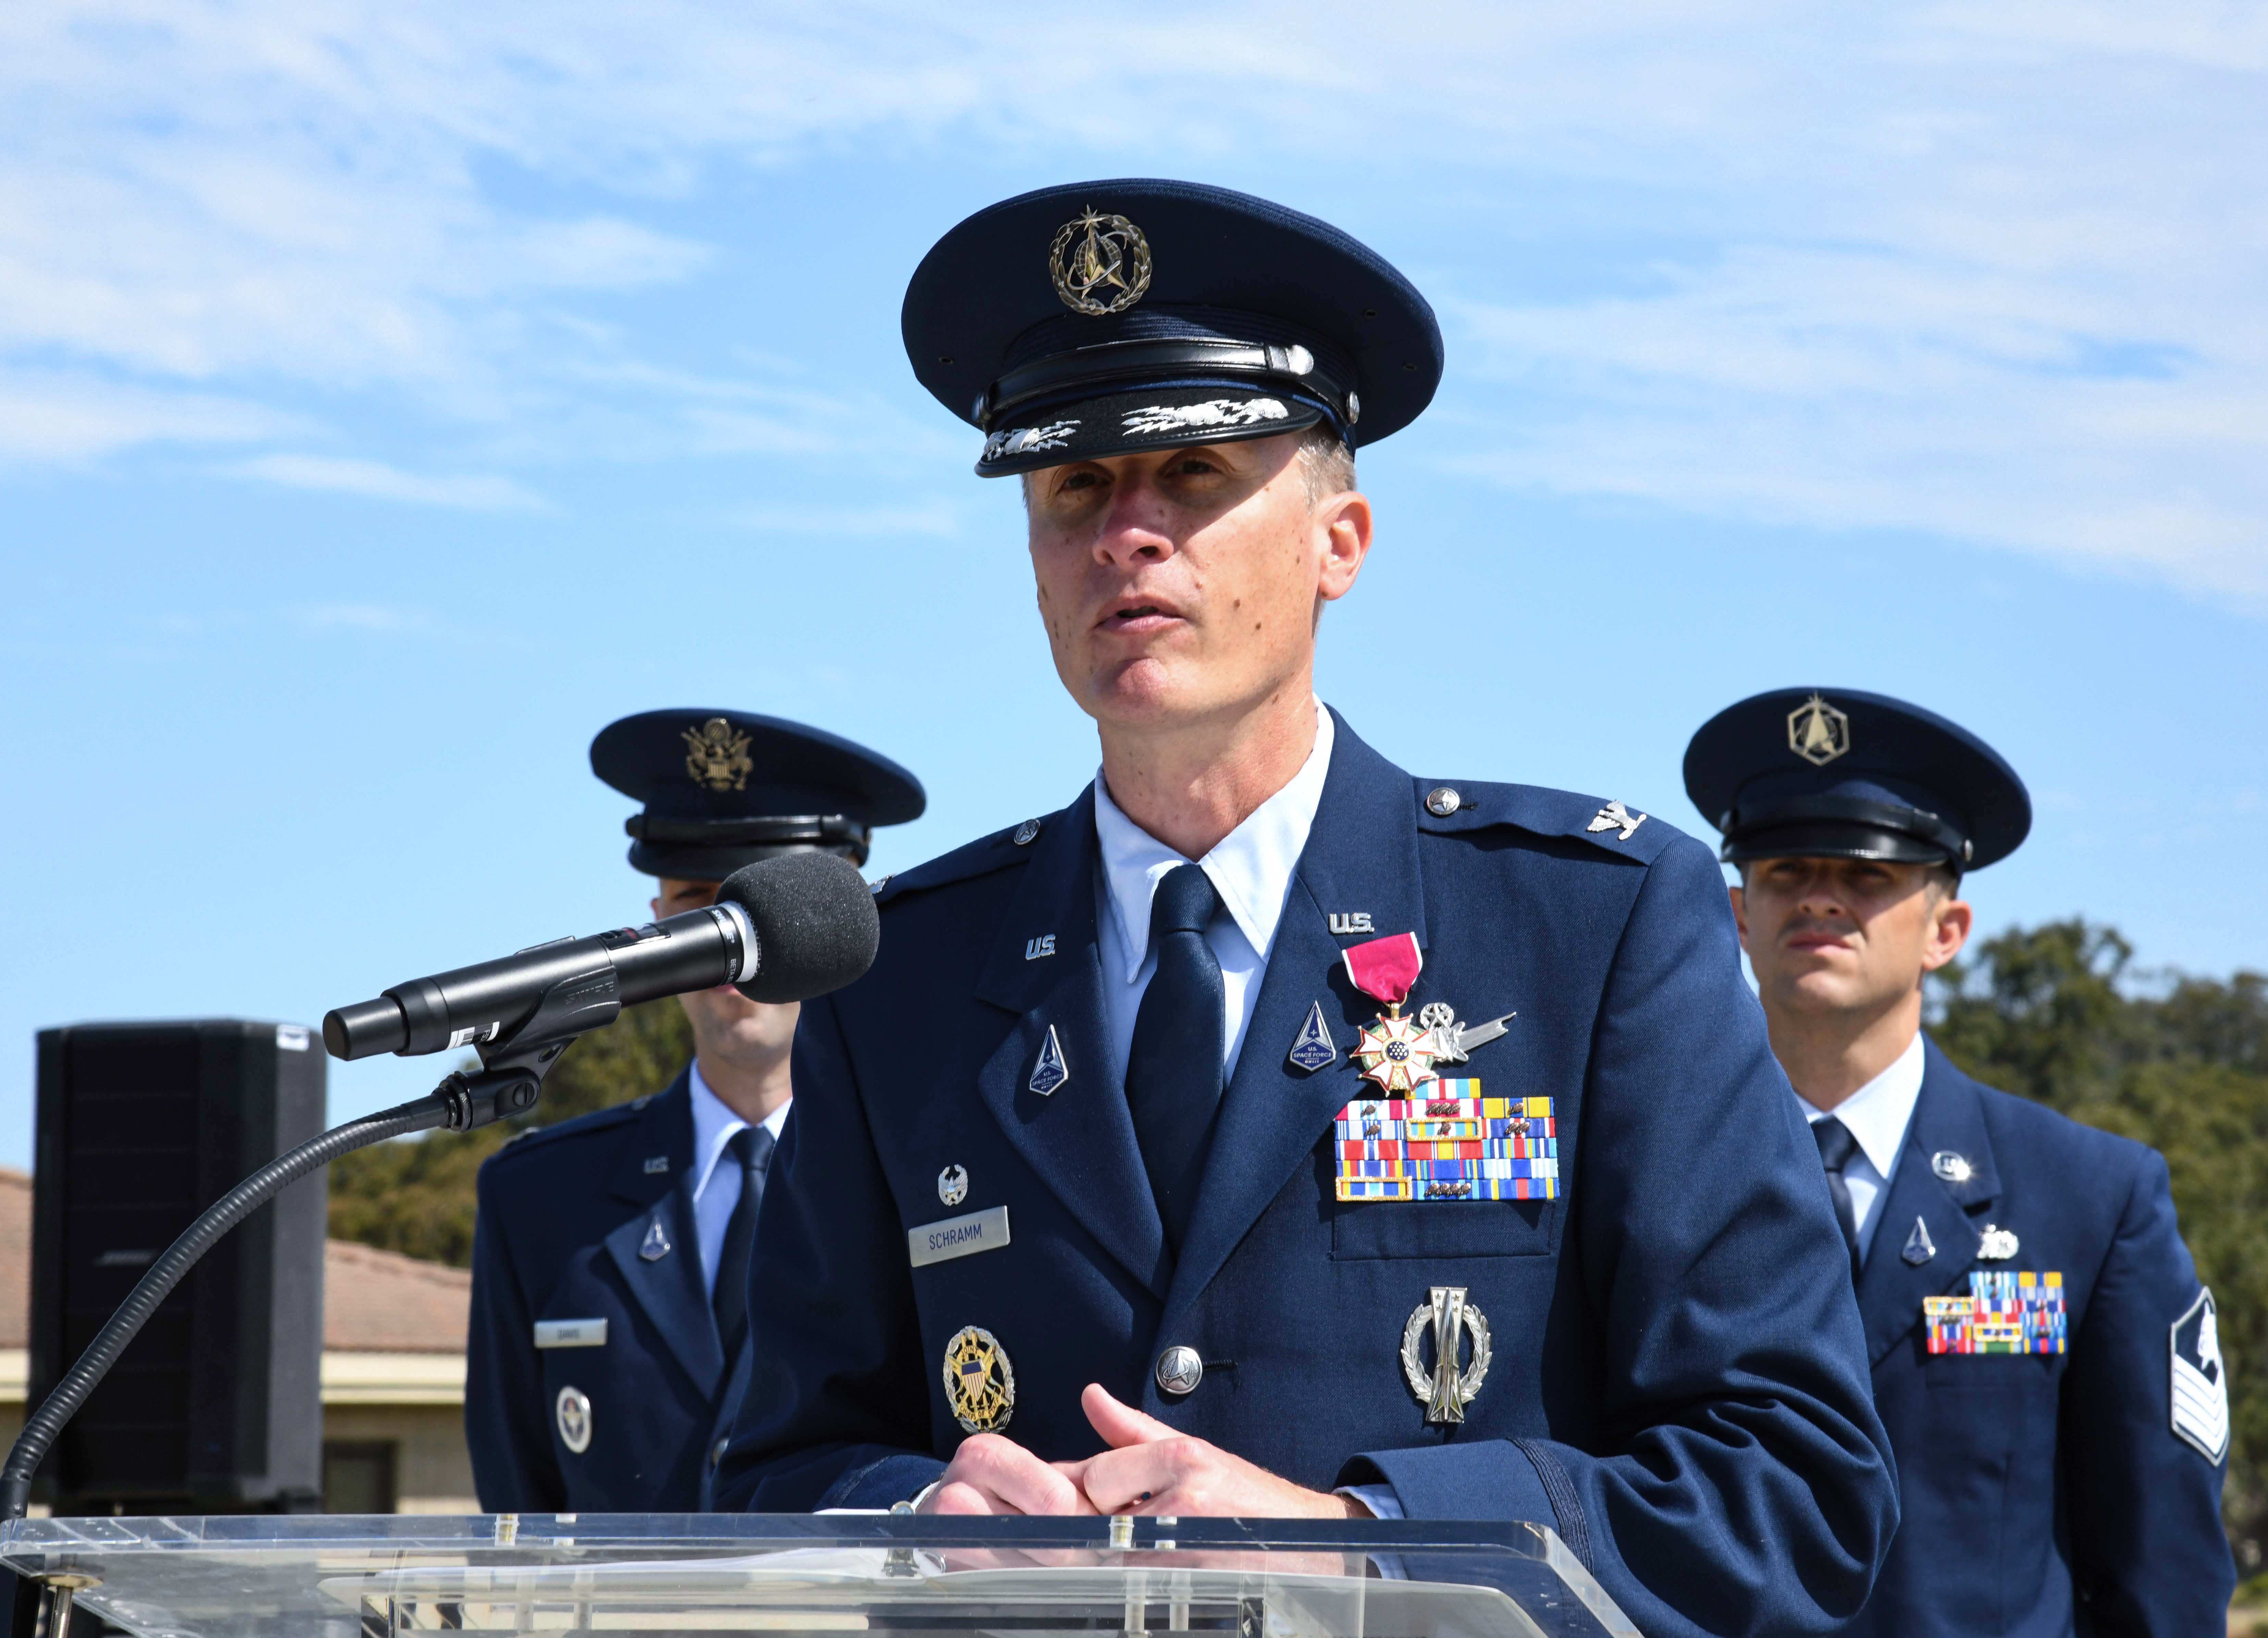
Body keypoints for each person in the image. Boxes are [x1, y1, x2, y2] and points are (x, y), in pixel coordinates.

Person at [712, 180, 1897, 1638]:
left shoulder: (1587, 925)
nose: (1125, 532)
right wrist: (915, 1521)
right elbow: (770, 1467)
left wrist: (1354, 1536)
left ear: (1337, 542)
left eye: (1194, 474)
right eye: (1073, 487)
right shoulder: (902, 970)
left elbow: (1791, 1484)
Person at [1685, 687, 2236, 1635]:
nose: (1819, 895)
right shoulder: (1652, 1175)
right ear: (1737, 913)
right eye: (1785, 870)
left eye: (1865, 873)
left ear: (1946, 930)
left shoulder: (2091, 1199)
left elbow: (2163, 1566)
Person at [464, 709, 924, 1511]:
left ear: (842, 924)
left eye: (760, 905)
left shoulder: (931, 1180)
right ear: (654, 927)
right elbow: (519, 1512)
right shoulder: (539, 1200)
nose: (727, 939)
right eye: (698, 902)